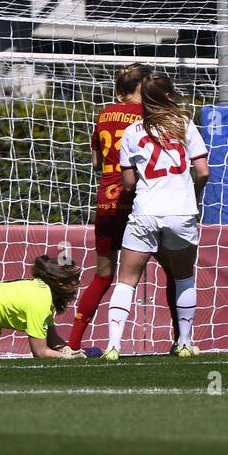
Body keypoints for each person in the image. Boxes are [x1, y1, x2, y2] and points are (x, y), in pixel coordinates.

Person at [68, 63, 178, 352]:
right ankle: (181, 340)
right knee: (171, 269)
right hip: (139, 204)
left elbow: (96, 163)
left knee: (103, 275)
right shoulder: (148, 116)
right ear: (144, 88)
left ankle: (73, 343)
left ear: (120, 89)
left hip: (106, 202)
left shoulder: (104, 114)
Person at [102, 73, 209, 360]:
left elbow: (127, 183)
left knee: (126, 280)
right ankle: (185, 343)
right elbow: (203, 171)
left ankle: (113, 346)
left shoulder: (133, 132)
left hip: (145, 212)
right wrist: (193, 195)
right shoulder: (185, 125)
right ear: (170, 96)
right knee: (184, 277)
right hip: (180, 212)